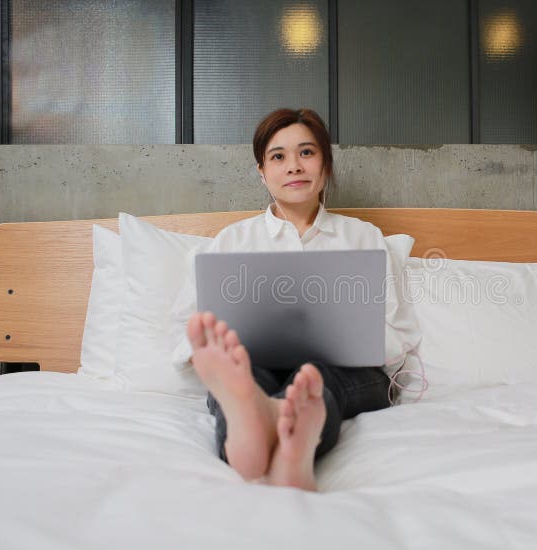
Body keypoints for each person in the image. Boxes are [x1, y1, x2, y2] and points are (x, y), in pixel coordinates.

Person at [176, 108, 416, 491]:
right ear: (261, 170)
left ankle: (276, 431)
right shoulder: (230, 242)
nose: (294, 167)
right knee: (244, 379)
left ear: (325, 164)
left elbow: (400, 332)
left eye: (307, 152)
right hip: (256, 364)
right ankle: (264, 435)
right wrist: (215, 347)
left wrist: (355, 343)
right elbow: (186, 330)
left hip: (348, 372)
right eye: (278, 156)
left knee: (317, 381)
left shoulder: (364, 237)